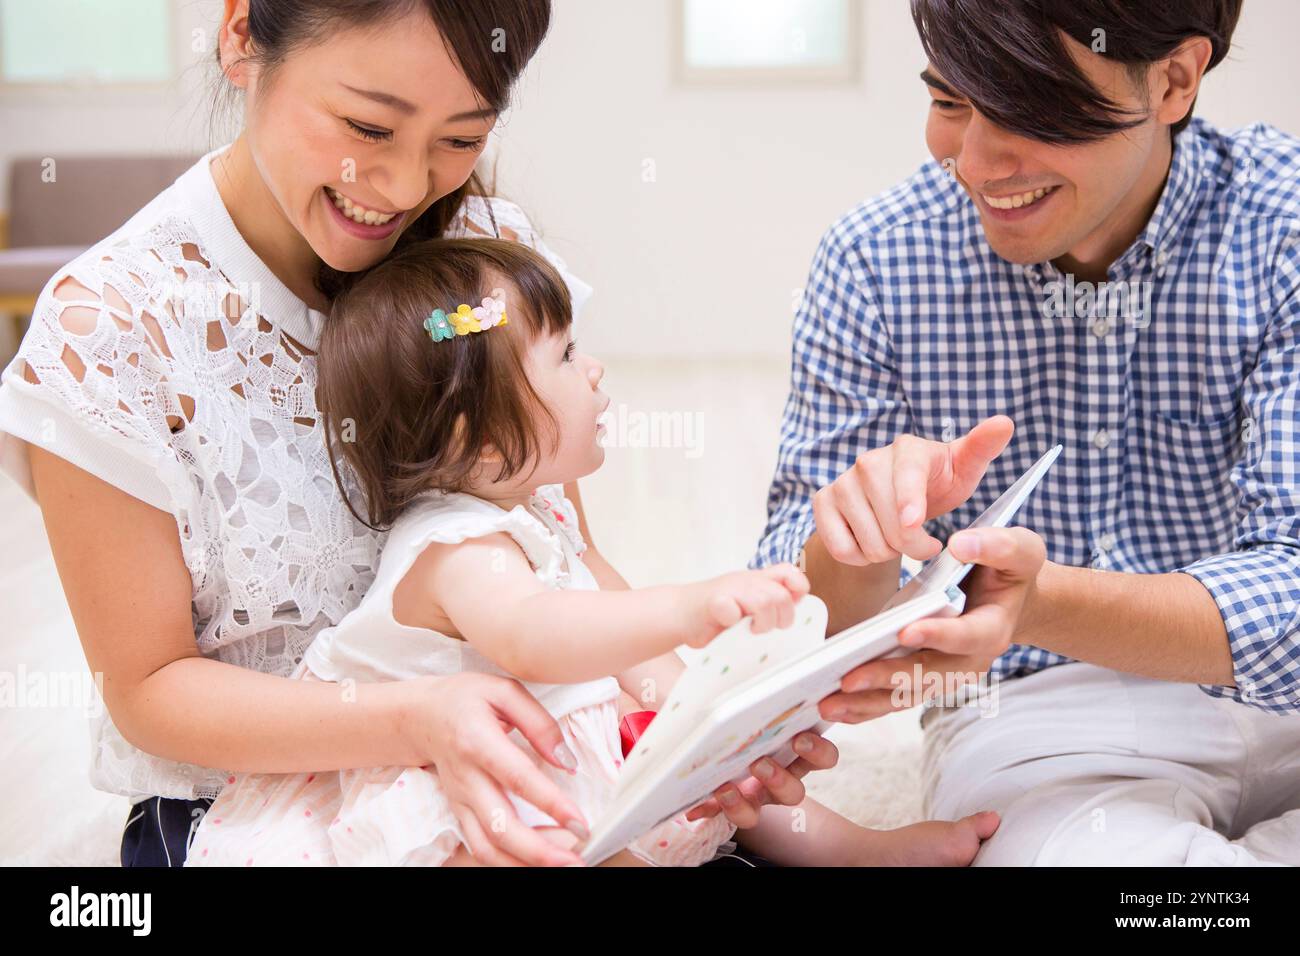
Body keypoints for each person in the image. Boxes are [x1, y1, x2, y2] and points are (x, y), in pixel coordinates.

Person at [0, 0, 838, 868]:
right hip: (259, 807)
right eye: (369, 125)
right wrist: (413, 725)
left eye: (461, 137)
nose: (403, 188)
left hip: (516, 752)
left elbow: (567, 557)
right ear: (242, 33)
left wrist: (688, 718)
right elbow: (149, 689)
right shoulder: (113, 329)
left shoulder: (482, 261)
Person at [180, 237, 1003, 866]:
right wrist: (693, 602)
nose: (597, 369)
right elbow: (535, 634)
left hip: (543, 743)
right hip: (454, 774)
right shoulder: (451, 544)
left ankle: (858, 849)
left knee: (732, 793)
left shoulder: (539, 509)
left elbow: (618, 635)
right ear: (485, 443)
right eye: (567, 356)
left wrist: (710, 719)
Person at [753, 0, 1300, 864]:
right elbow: (788, 625)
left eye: (1033, 110)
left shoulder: (1285, 226)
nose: (973, 164)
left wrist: (1038, 603)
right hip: (1042, 720)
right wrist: (852, 547)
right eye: (950, 102)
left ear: (1175, 79)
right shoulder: (878, 258)